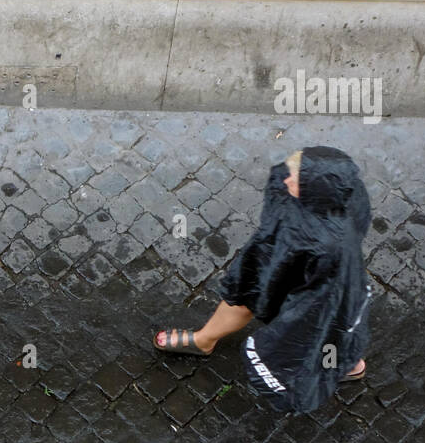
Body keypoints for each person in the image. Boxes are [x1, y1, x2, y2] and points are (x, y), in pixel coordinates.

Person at [153, 147, 372, 414]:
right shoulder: (343, 198)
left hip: (305, 282)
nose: (286, 180)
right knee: (329, 327)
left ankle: (345, 364)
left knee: (321, 327)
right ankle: (204, 339)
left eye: (296, 178)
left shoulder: (330, 244)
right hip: (290, 270)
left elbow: (323, 303)